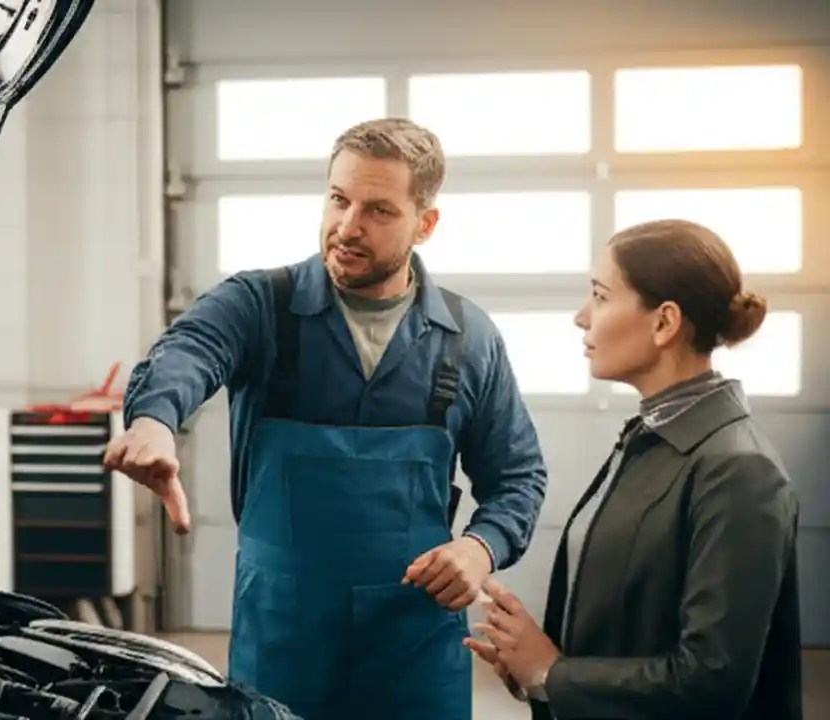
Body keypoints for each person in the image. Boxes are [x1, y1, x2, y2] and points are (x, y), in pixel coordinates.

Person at [104, 117, 549, 720]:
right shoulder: (263, 306)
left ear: (426, 223)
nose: (347, 226)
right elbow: (190, 349)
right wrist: (155, 417)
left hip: (414, 653)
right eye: (338, 199)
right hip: (282, 647)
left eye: (378, 210)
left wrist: (479, 547)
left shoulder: (467, 340)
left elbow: (518, 477)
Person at [468, 219, 803, 720]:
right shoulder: (650, 439)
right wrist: (535, 673)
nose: (582, 317)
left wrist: (552, 672)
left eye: (600, 297)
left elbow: (713, 679)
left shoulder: (739, 471)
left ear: (664, 322)